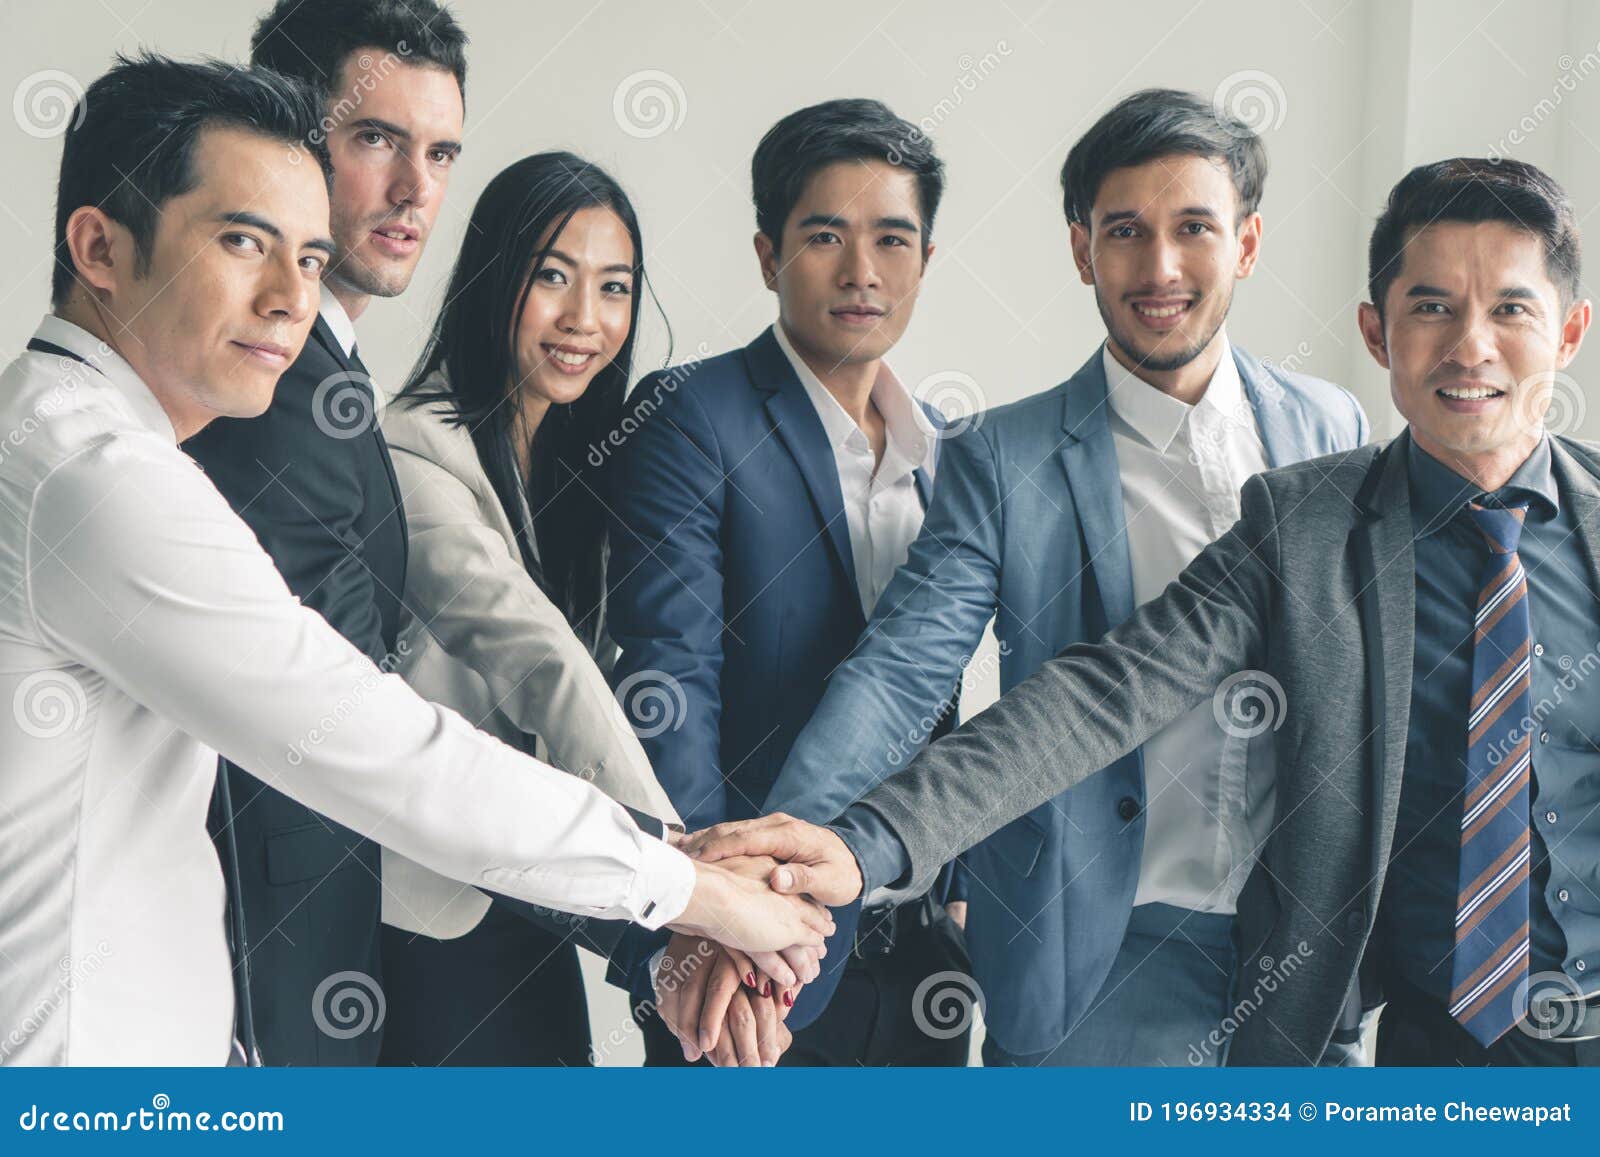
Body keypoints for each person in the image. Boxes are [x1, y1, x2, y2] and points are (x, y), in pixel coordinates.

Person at [0, 52, 829, 1068]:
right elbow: (378, 741)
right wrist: (691, 885)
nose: (288, 297)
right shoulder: (97, 478)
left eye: (310, 258)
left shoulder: (68, 439)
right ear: (100, 247)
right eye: (243, 242)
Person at [688, 157, 1600, 1067]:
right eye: (1432, 307)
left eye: (1511, 310)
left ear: (1568, 331)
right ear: (1376, 330)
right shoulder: (1310, 523)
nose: (1471, 347)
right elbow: (1097, 695)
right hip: (1429, 1043)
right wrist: (861, 845)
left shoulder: (1353, 432)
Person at [764, 89, 1369, 1066]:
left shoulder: (1331, 427)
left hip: (1303, 964)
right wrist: (779, 859)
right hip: (1094, 961)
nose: (1159, 267)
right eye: (1125, 231)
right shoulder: (1003, 456)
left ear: (1247, 244)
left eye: (1194, 228)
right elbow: (898, 678)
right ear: (1082, 250)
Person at [375, 151, 796, 1066]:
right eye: (552, 278)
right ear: (493, 279)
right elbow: (540, 660)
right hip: (431, 907)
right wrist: (690, 872)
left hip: (543, 892)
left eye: (615, 288)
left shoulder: (585, 462)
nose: (584, 320)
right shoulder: (411, 451)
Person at [609, 99, 970, 1066]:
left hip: (922, 960)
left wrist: (962, 889)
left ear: (925, 260)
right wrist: (710, 928)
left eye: (892, 239)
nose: (862, 271)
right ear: (769, 256)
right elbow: (668, 685)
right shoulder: (692, 416)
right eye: (825, 236)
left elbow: (944, 698)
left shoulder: (954, 452)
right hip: (753, 972)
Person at [181, 0, 469, 1065]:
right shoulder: (281, 386)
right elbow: (341, 712)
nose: (415, 189)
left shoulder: (324, 371)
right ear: (293, 140)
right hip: (261, 966)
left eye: (441, 152)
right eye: (377, 139)